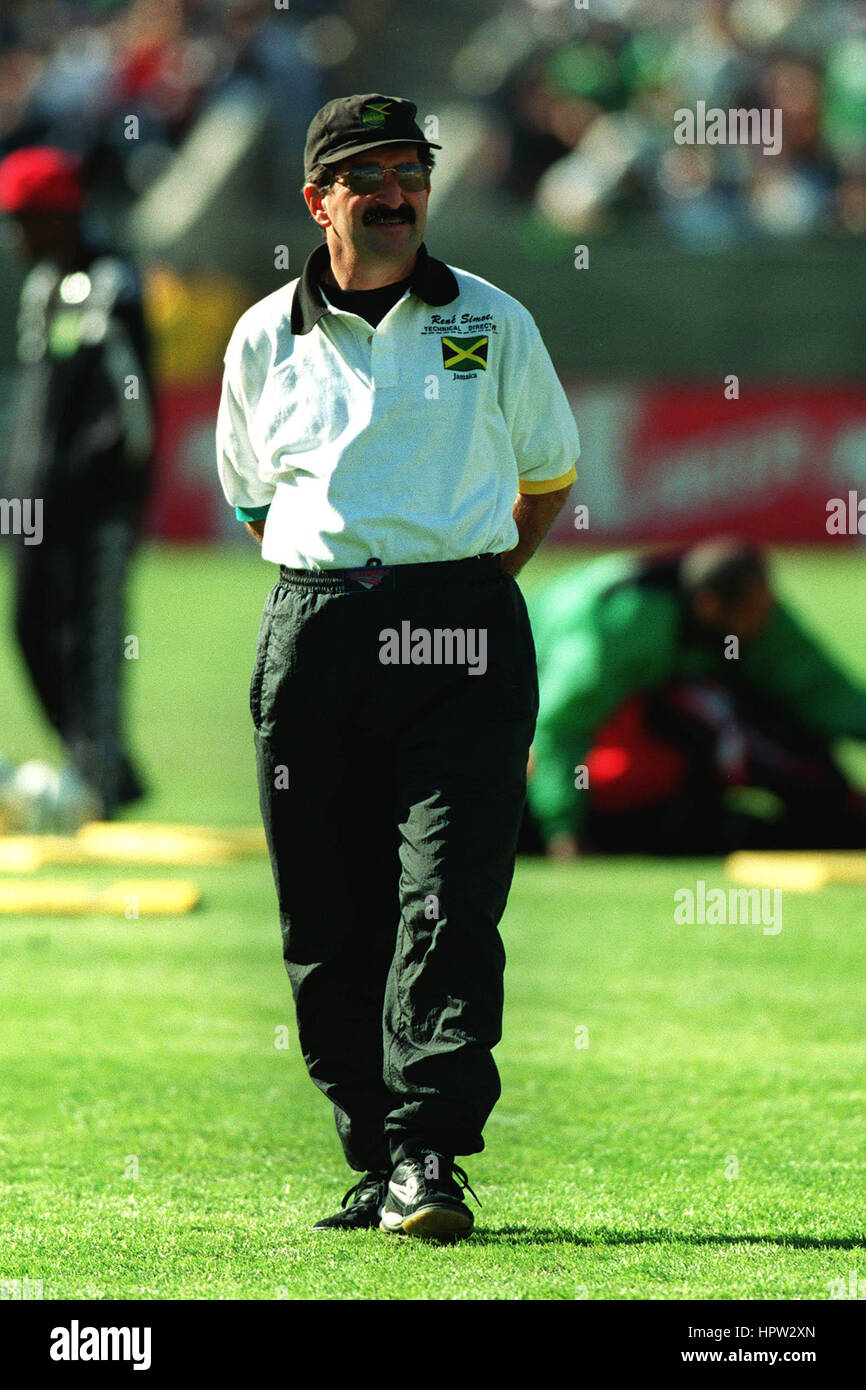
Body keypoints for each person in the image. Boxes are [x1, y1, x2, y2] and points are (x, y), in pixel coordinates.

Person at [216, 94, 578, 1240]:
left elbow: (548, 476)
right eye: (364, 174)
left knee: (448, 893)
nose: (395, 191)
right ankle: (370, 1153)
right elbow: (249, 497)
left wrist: (462, 585)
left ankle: (428, 1152)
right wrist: (336, 587)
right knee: (327, 907)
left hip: (461, 631)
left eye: (409, 170)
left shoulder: (493, 319)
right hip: (316, 629)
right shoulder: (260, 334)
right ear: (317, 198)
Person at [523, 540, 866, 858]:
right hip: (557, 722)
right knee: (722, 725)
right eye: (754, 613)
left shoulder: (754, 612)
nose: (766, 624)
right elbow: (559, 726)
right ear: (709, 606)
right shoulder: (625, 628)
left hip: (647, 719)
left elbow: (820, 688)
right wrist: (564, 830)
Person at [0, 146, 154, 818]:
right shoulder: (40, 289)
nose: (15, 237)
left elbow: (133, 403)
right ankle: (96, 769)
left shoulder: (112, 284)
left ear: (61, 217)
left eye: (24, 220)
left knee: (91, 640)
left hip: (94, 511)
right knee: (31, 630)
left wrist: (104, 480)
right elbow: (37, 401)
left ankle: (99, 779)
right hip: (30, 507)